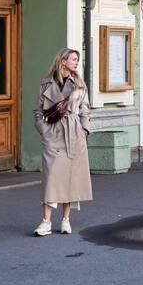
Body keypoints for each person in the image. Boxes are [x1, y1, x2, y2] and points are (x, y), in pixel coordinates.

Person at [32, 48, 92, 237]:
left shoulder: (80, 84)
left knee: (70, 177)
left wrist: (84, 130)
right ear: (63, 60)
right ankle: (46, 222)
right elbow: (38, 112)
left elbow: (85, 110)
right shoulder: (46, 83)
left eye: (77, 59)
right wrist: (45, 132)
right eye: (73, 59)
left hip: (74, 134)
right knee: (51, 177)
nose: (76, 62)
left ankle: (66, 220)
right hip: (54, 134)